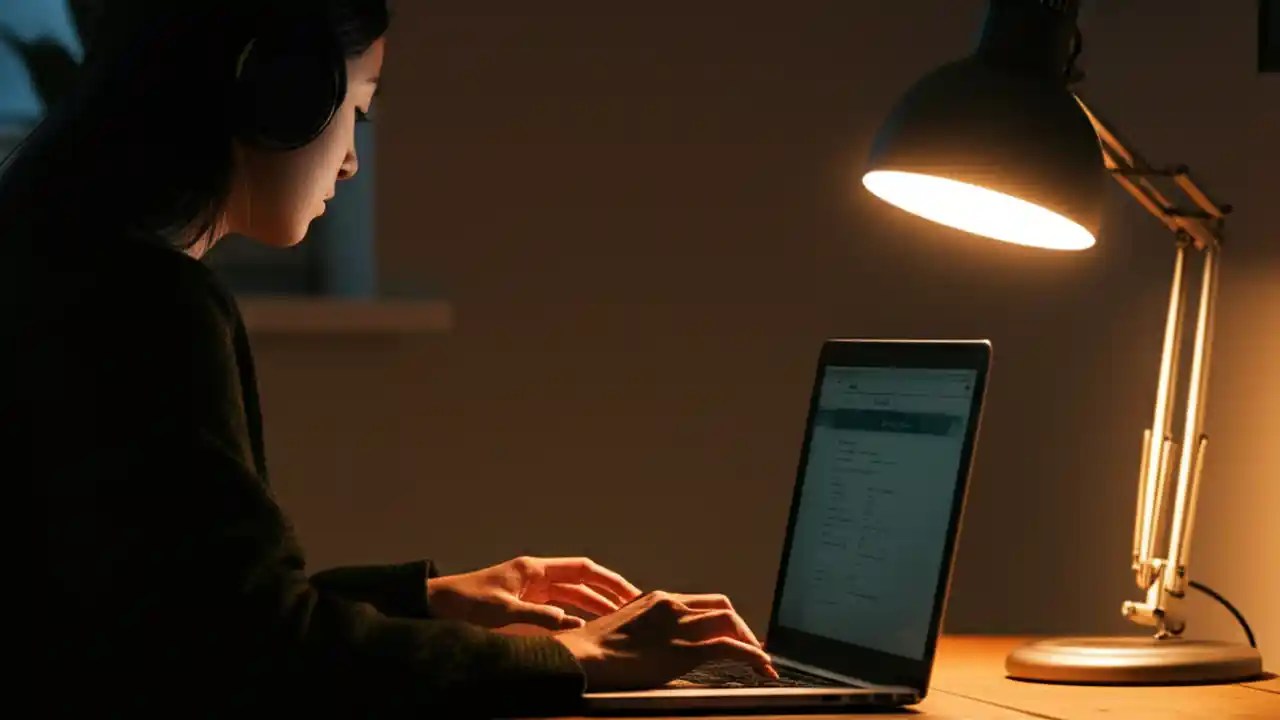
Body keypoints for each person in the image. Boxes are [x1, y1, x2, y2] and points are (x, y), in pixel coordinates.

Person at [2, 0, 775, 715]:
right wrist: (562, 652)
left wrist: (424, 599)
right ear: (282, 90)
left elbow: (170, 612)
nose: (350, 163)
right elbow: (250, 652)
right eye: (359, 112)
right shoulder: (143, 305)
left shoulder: (54, 268)